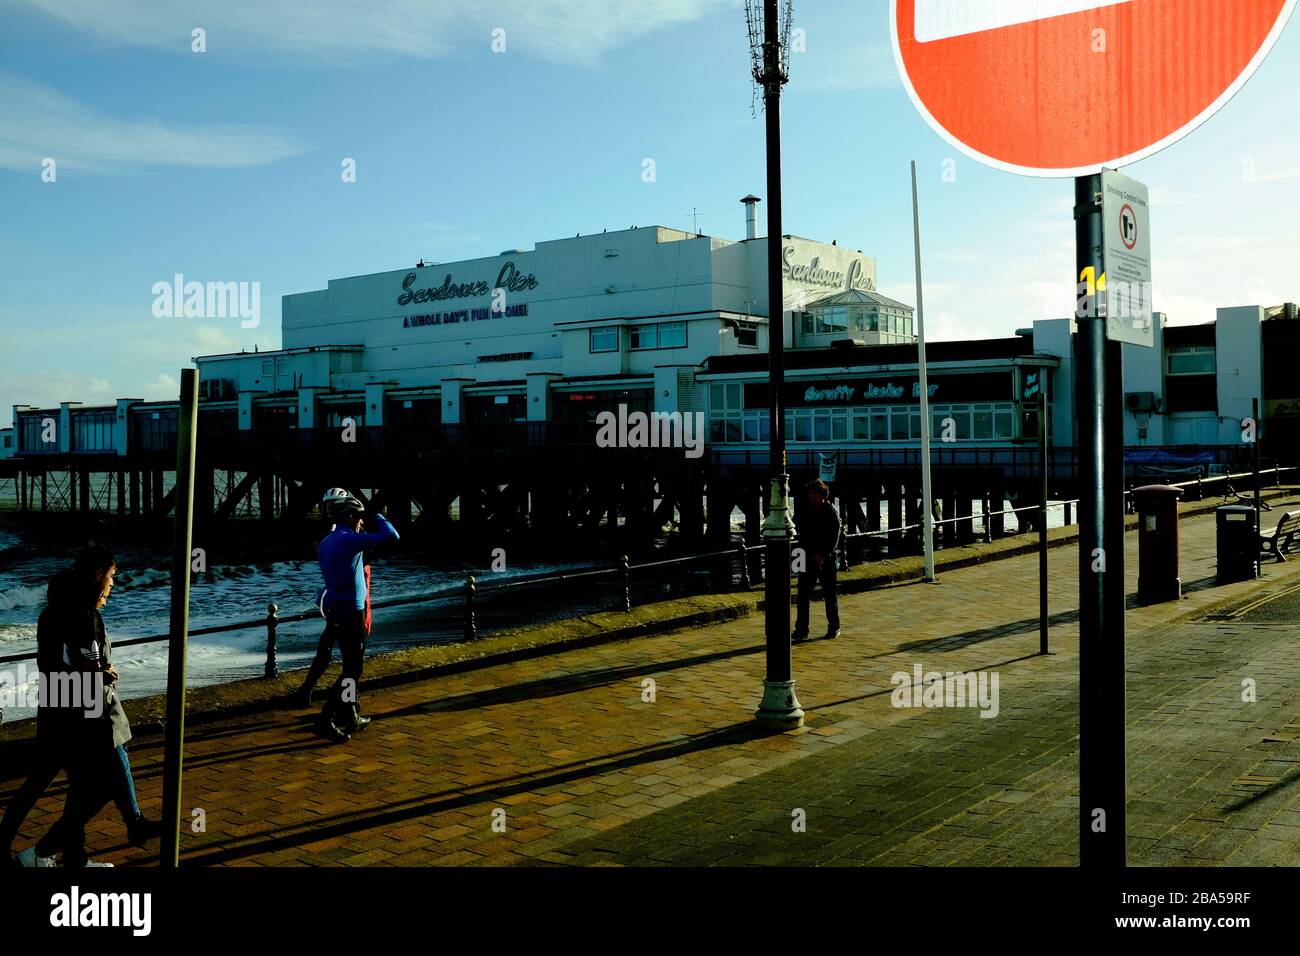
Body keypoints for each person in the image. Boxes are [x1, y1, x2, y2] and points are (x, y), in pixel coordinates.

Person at [6, 545, 160, 867]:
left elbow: (51, 665)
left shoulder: (53, 611)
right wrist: (99, 675)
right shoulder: (84, 614)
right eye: (112, 576)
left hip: (57, 707)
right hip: (76, 712)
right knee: (92, 785)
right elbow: (78, 665)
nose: (113, 584)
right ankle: (51, 852)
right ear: (96, 575)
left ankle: (73, 855)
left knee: (47, 783)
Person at [312, 492, 398, 743]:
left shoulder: (327, 541)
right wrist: (375, 514)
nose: (362, 522)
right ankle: (326, 718)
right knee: (353, 668)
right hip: (352, 612)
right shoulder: (349, 540)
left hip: (337, 609)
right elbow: (392, 536)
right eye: (358, 518)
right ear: (349, 516)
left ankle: (350, 714)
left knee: (351, 665)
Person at [294, 489, 376, 710]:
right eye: (326, 506)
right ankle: (346, 706)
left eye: (332, 505)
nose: (328, 510)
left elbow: (361, 572)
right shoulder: (343, 534)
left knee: (332, 651)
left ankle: (311, 692)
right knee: (351, 663)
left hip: (342, 601)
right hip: (349, 603)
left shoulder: (343, 534)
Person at [792, 479, 842, 643]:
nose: (812, 497)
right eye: (810, 494)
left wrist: (823, 554)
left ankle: (834, 627)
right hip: (806, 556)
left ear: (822, 495)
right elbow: (797, 529)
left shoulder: (830, 511)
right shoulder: (805, 509)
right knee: (802, 595)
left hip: (826, 558)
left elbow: (835, 537)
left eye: (815, 494)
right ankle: (801, 629)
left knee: (829, 594)